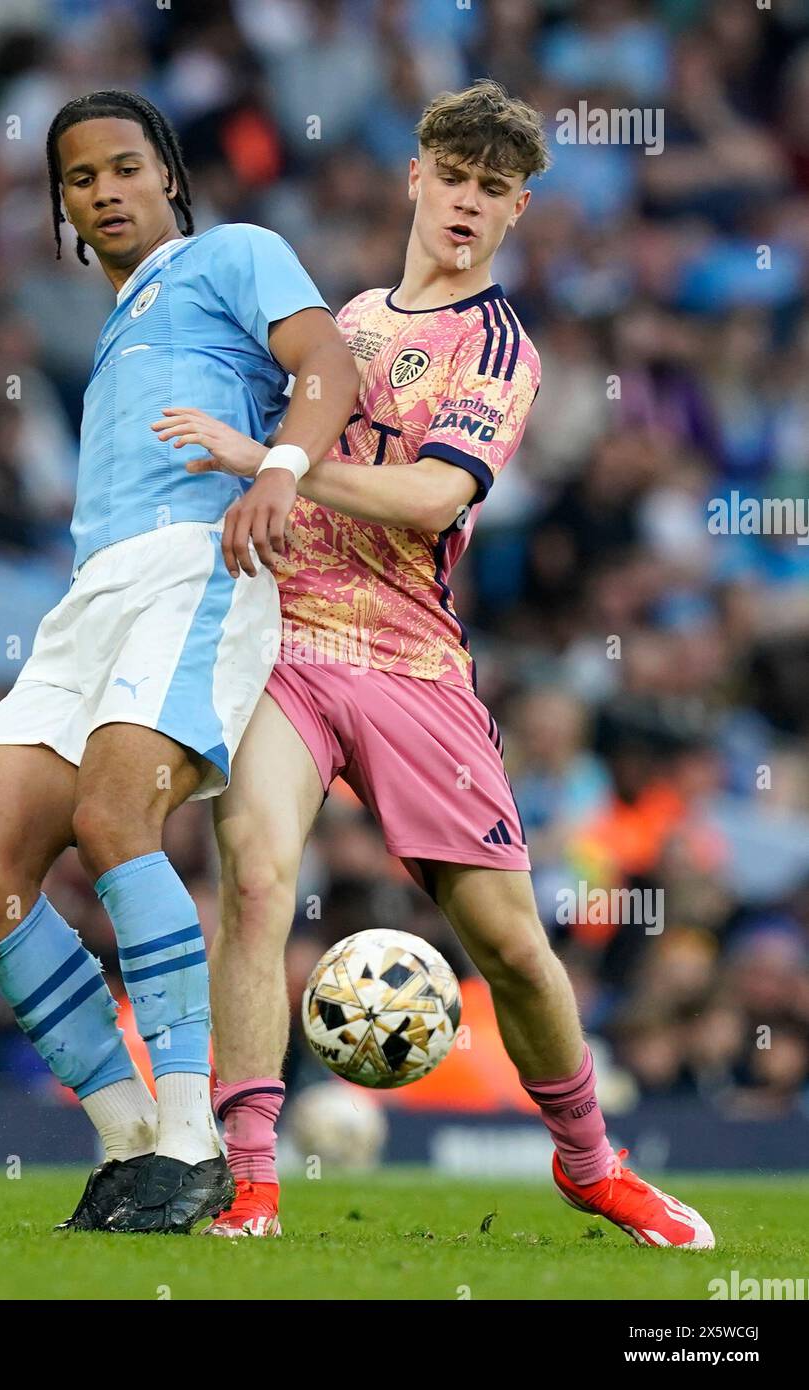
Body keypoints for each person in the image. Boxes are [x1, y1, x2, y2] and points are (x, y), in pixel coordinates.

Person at [156, 80, 715, 1248]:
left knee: (510, 944)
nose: (467, 202)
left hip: (412, 664)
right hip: (290, 638)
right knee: (255, 881)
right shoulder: (346, 320)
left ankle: (589, 1160)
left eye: (494, 190)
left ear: (517, 213)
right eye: (453, 177)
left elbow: (434, 495)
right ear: (416, 179)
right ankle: (249, 1178)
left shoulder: (501, 350)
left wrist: (277, 461)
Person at [0, 89, 358, 1235]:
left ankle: (192, 1134)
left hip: (197, 565)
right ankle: (126, 1133)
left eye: (126, 166)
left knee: (119, 815)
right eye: (80, 179)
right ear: (63, 206)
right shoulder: (121, 316)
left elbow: (328, 361)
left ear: (168, 171)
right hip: (90, 599)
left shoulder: (233, 252)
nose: (105, 190)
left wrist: (278, 467)